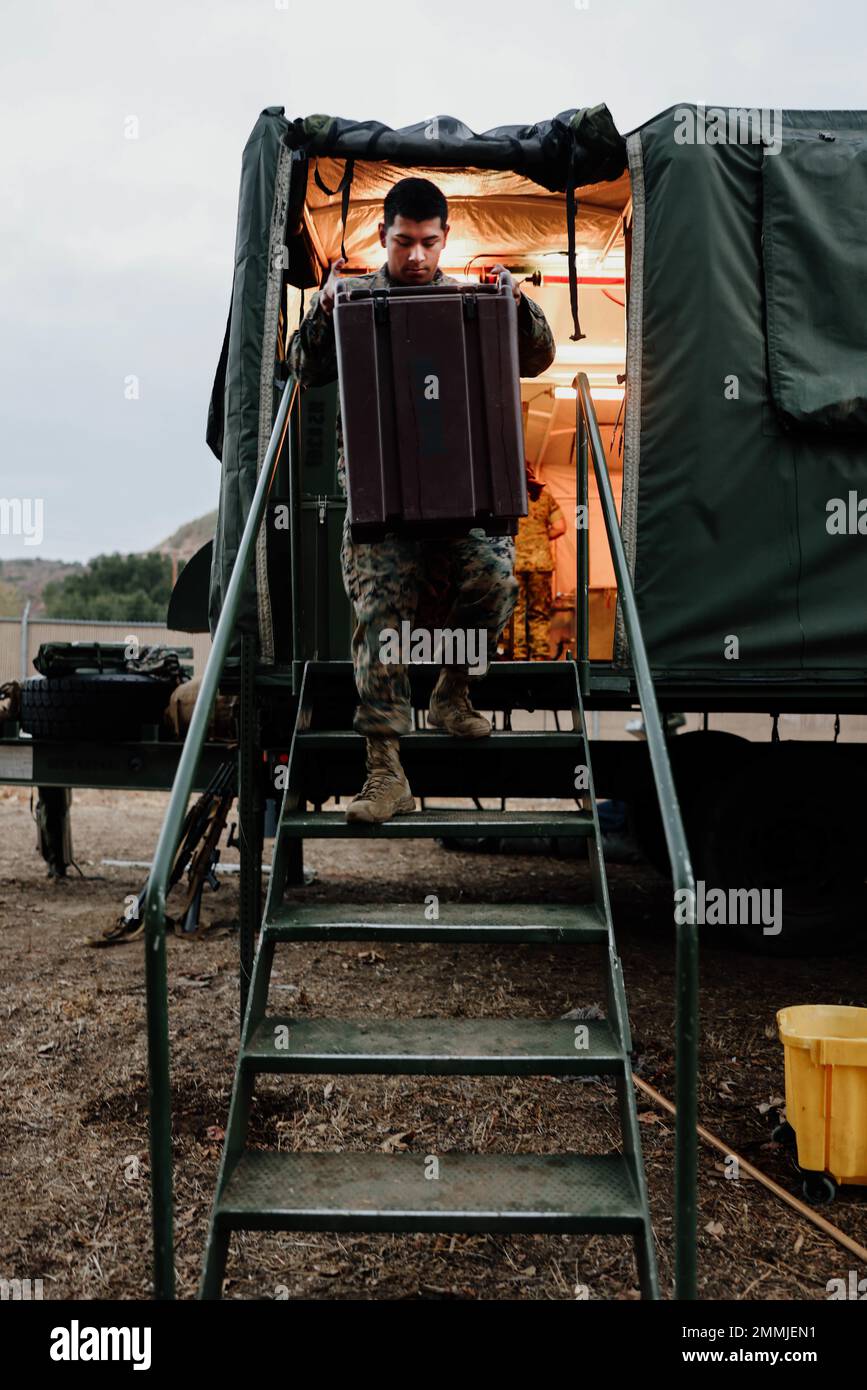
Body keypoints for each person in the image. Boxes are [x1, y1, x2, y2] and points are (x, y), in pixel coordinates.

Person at [287, 177, 555, 823]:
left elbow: (537, 359)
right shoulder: (350, 300)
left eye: (428, 243)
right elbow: (302, 366)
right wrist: (320, 315)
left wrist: (517, 303)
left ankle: (451, 692)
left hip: (462, 498)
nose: (415, 257)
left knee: (493, 585)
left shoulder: (467, 301)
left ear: (445, 239)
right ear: (382, 236)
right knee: (380, 623)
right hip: (383, 506)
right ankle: (385, 775)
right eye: (403, 242)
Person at [512, 464, 566, 659]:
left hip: (515, 563)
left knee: (516, 612)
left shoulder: (510, 497)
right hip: (540, 563)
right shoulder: (545, 497)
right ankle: (540, 656)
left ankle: (518, 655)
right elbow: (560, 527)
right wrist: (542, 537)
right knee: (539, 612)